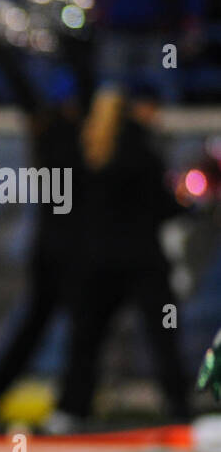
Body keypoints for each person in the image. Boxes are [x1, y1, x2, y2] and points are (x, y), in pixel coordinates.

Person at [49, 87, 191, 430]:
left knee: (85, 341)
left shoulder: (82, 153)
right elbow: (162, 207)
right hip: (143, 261)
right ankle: (181, 409)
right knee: (163, 337)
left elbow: (66, 210)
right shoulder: (142, 151)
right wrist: (187, 201)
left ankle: (71, 409)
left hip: (96, 262)